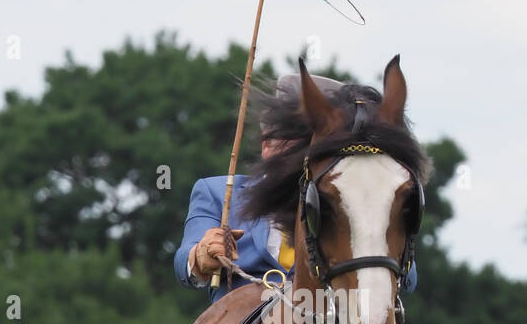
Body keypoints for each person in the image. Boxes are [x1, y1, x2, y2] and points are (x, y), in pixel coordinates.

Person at [175, 73, 419, 300]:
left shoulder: (348, 206)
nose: (269, 140)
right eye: (268, 131)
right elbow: (182, 260)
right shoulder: (217, 192)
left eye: (288, 134)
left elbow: (408, 277)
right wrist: (199, 257)